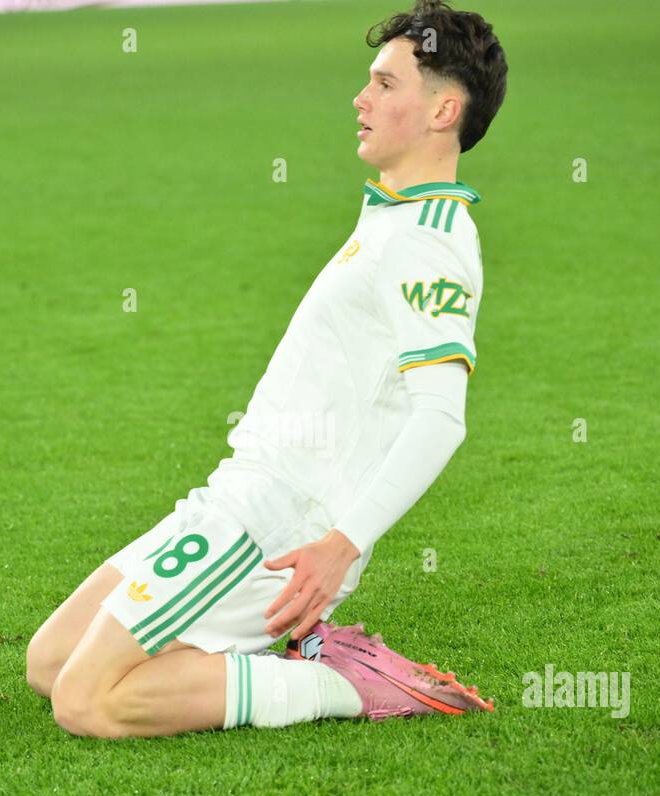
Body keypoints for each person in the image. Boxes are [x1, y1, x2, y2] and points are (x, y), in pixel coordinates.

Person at [26, 0, 509, 738]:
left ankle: (335, 682)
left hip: (281, 528)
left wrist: (338, 546)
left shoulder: (428, 240)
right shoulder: (393, 213)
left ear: (444, 110)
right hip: (237, 496)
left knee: (85, 701)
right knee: (49, 663)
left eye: (385, 84)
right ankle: (291, 657)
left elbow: (440, 416)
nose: (361, 98)